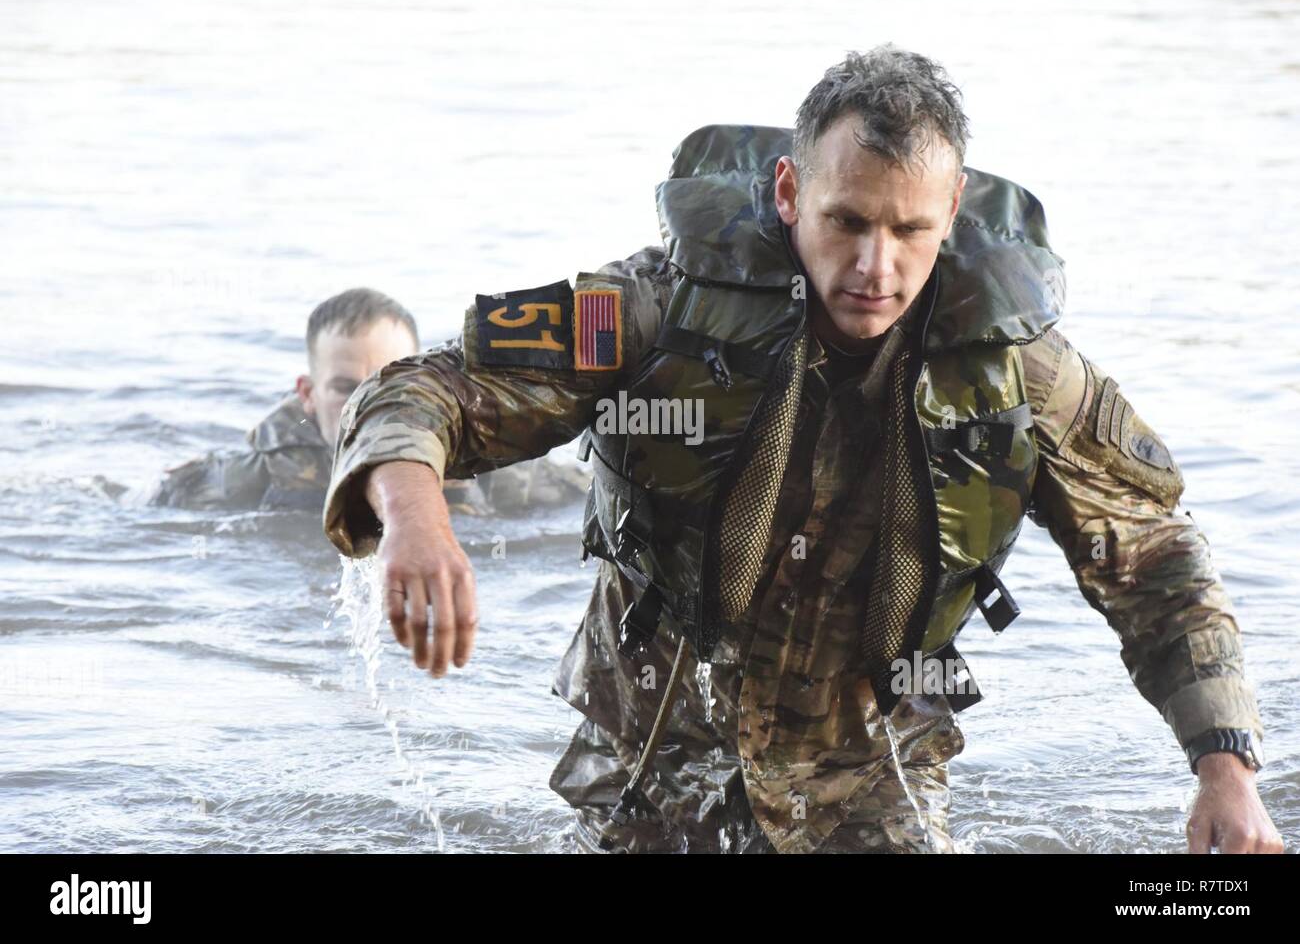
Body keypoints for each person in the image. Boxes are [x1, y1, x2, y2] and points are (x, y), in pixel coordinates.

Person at [318, 46, 1281, 854]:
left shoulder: (1021, 371)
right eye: (848, 221)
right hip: (657, 754)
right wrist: (415, 512)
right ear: (789, 192)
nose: (875, 265)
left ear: (950, 219)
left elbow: (1155, 556)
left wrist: (1227, 770)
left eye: (910, 231)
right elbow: (425, 386)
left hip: (877, 768)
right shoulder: (662, 306)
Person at [149, 288, 588, 515]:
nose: (366, 407)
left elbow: (587, 508)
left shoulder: (504, 476)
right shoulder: (244, 479)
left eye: (388, 387)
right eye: (344, 388)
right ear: (307, 394)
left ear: (427, 385)